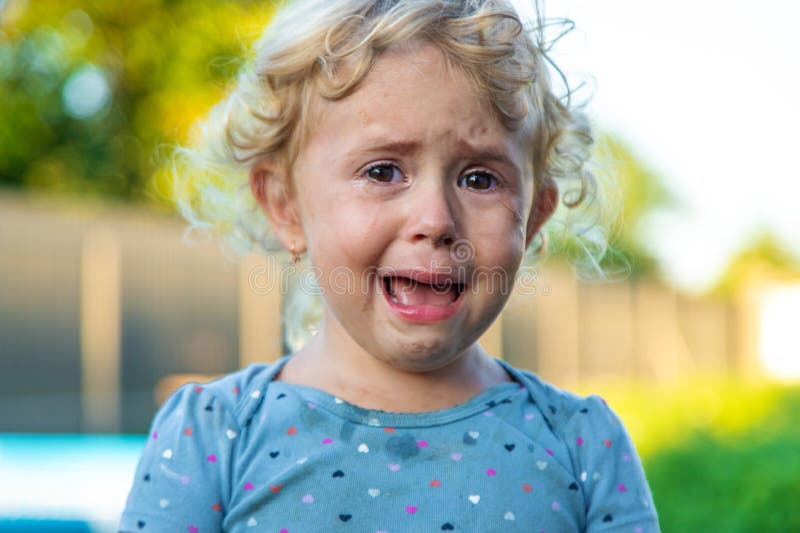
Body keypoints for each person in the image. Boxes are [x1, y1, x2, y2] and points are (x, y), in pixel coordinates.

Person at [120, 0, 659, 531]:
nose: (435, 219)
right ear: (285, 206)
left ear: (534, 216)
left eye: (479, 179)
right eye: (382, 172)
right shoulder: (214, 436)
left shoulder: (584, 445)